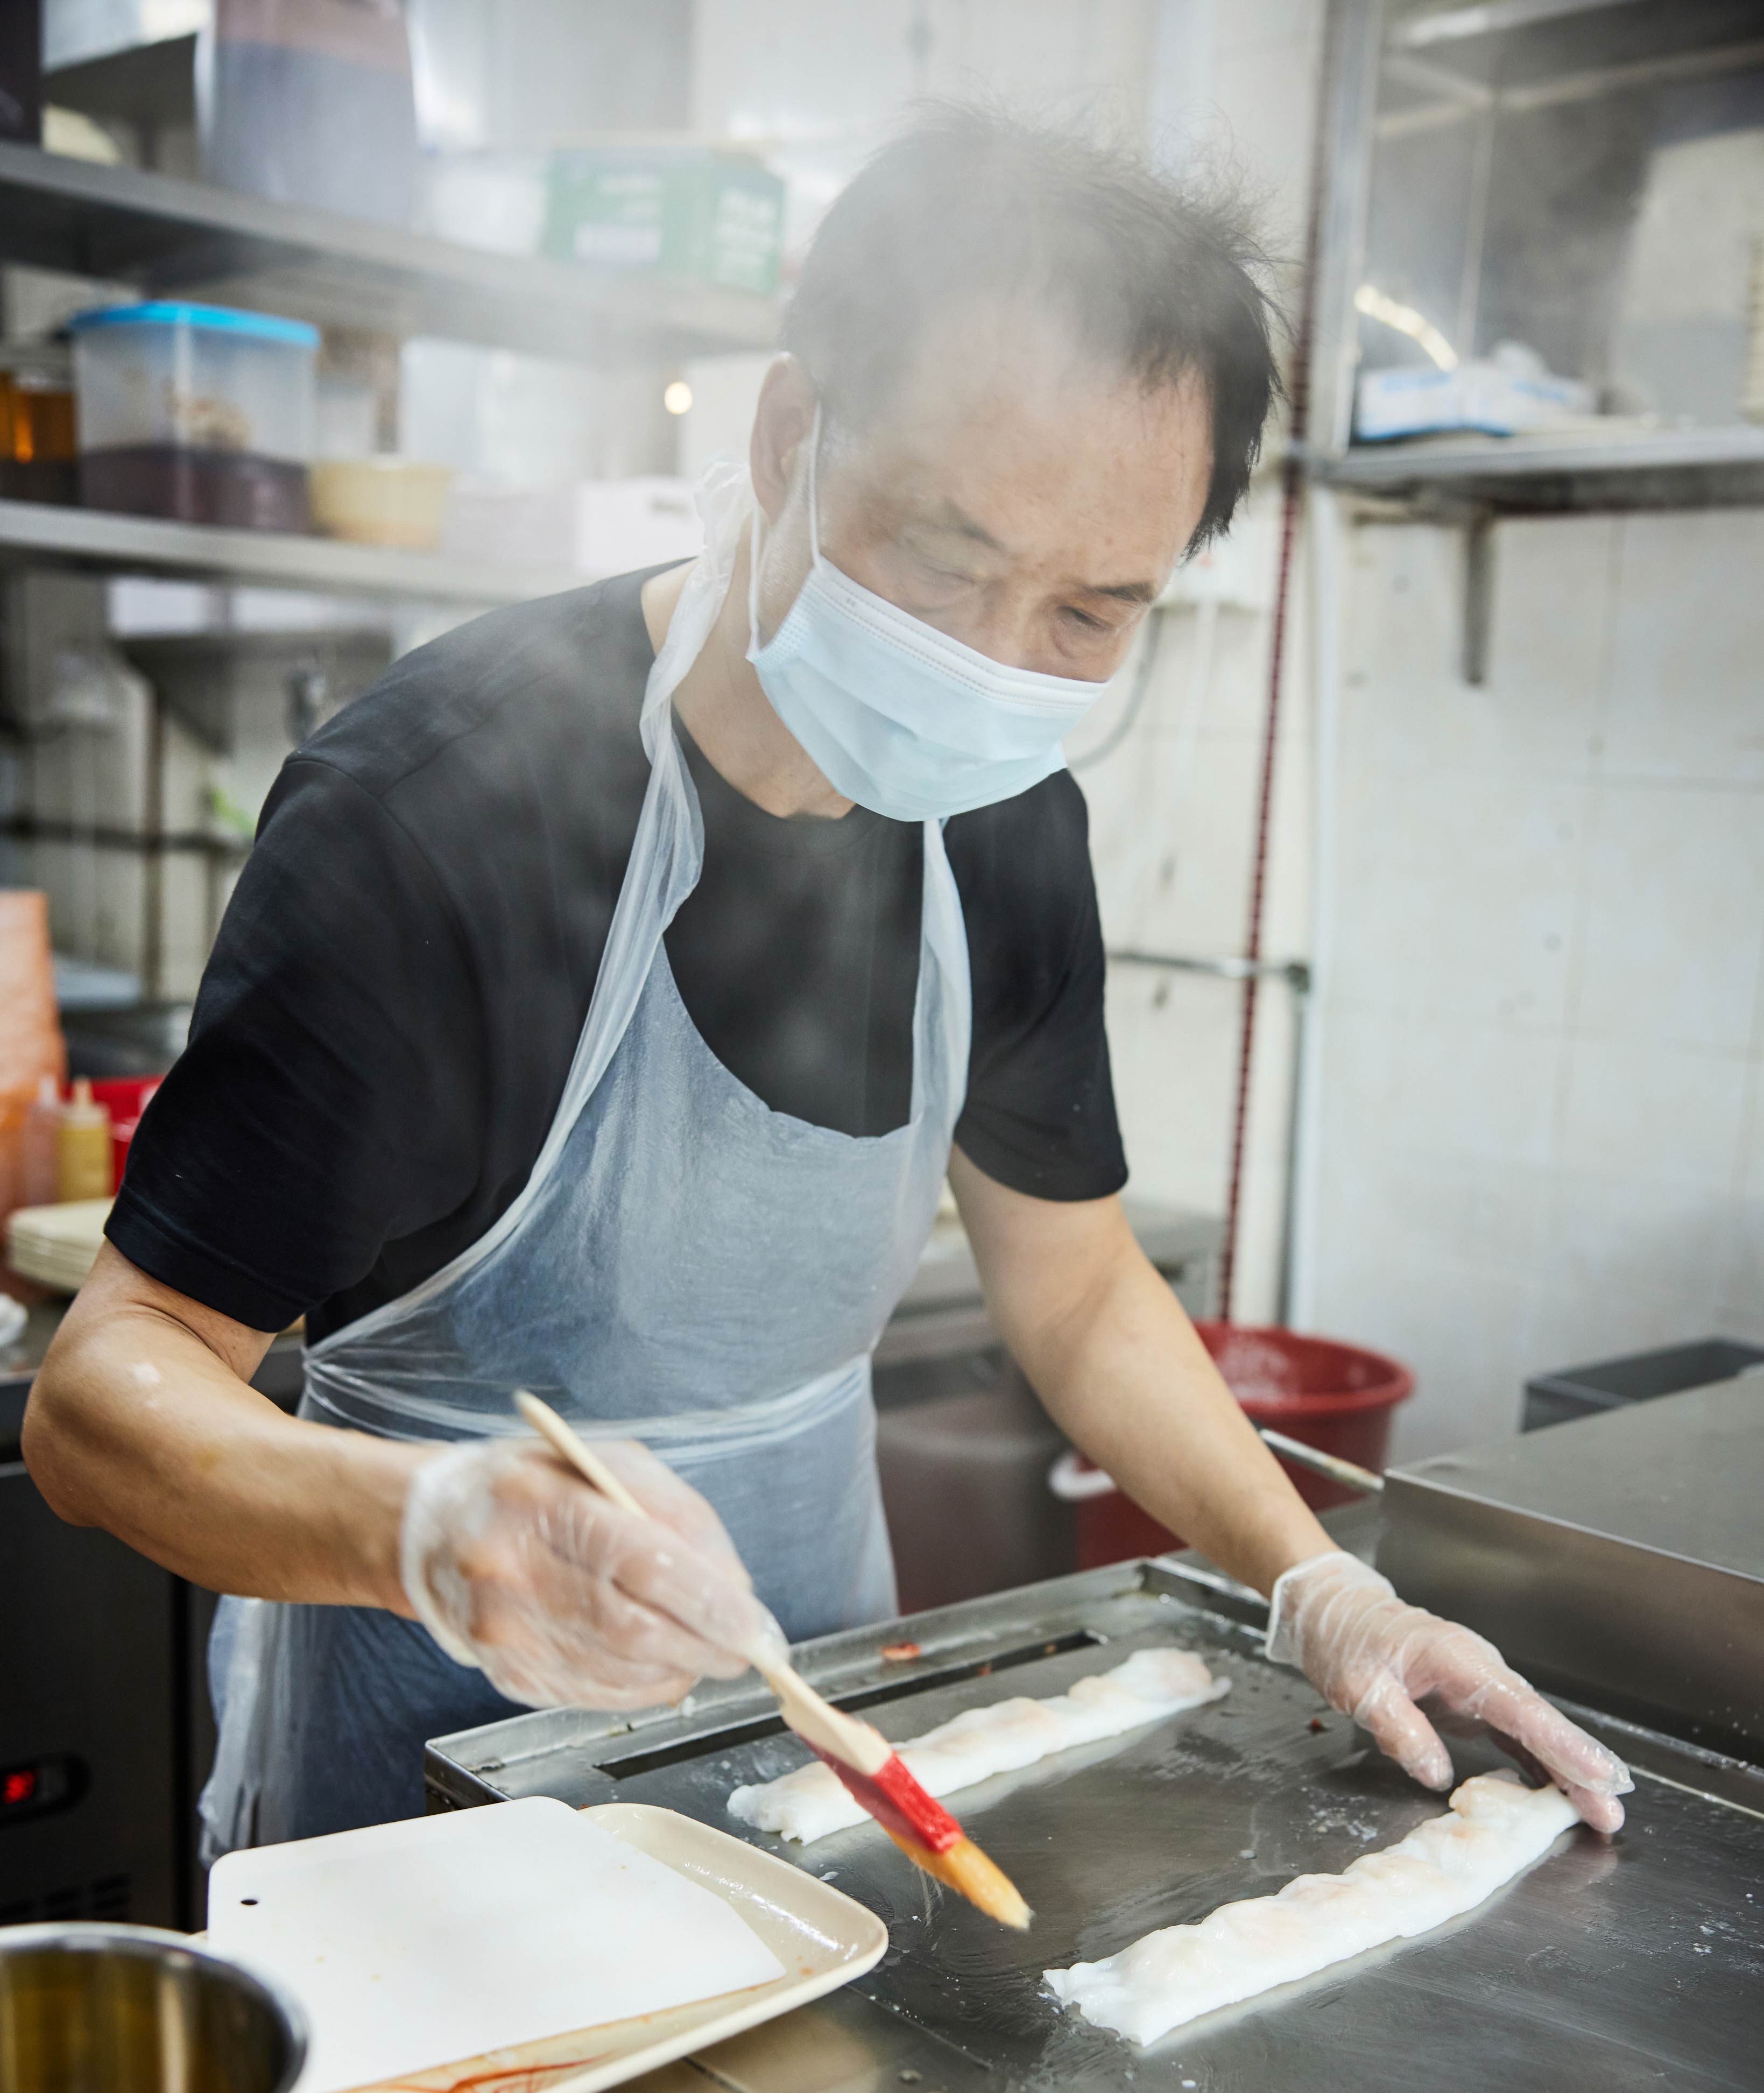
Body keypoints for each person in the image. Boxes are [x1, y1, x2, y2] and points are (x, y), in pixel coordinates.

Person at [24, 108, 1630, 1854]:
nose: (991, 666)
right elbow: (107, 1397)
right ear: (793, 433)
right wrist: (427, 1530)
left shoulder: (1010, 827)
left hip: (801, 1773)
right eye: (945, 554)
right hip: (418, 1797)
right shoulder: (434, 814)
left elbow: (1078, 1284)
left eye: (1089, 618)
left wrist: (1318, 1583)